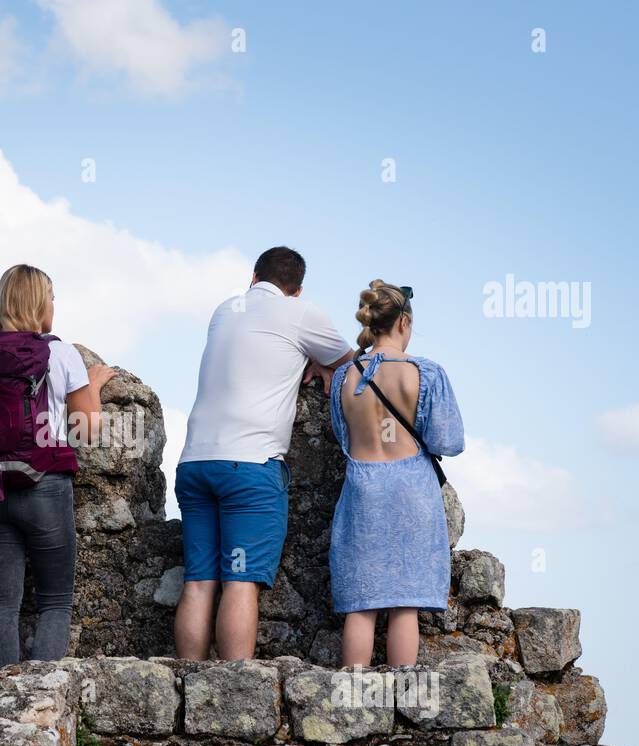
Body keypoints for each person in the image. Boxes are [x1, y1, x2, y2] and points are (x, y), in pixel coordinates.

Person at [174, 247, 354, 661]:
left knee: (199, 581)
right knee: (239, 581)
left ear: (253, 278)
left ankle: (184, 681)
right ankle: (233, 691)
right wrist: (318, 360)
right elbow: (352, 365)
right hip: (249, 467)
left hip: (195, 463)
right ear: (296, 291)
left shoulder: (225, 309)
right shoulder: (301, 313)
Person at [0, 264, 116, 671]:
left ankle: (5, 702)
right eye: (51, 298)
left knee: (1, 601)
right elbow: (87, 428)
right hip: (43, 486)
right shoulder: (59, 352)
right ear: (41, 304)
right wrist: (93, 385)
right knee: (55, 599)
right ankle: (38, 705)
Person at [328, 280, 464, 667]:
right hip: (412, 493)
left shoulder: (345, 376)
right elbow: (448, 441)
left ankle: (354, 698)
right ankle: (403, 699)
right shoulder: (427, 373)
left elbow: (343, 435)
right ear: (404, 322)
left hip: (362, 491)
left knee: (361, 603)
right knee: (405, 603)